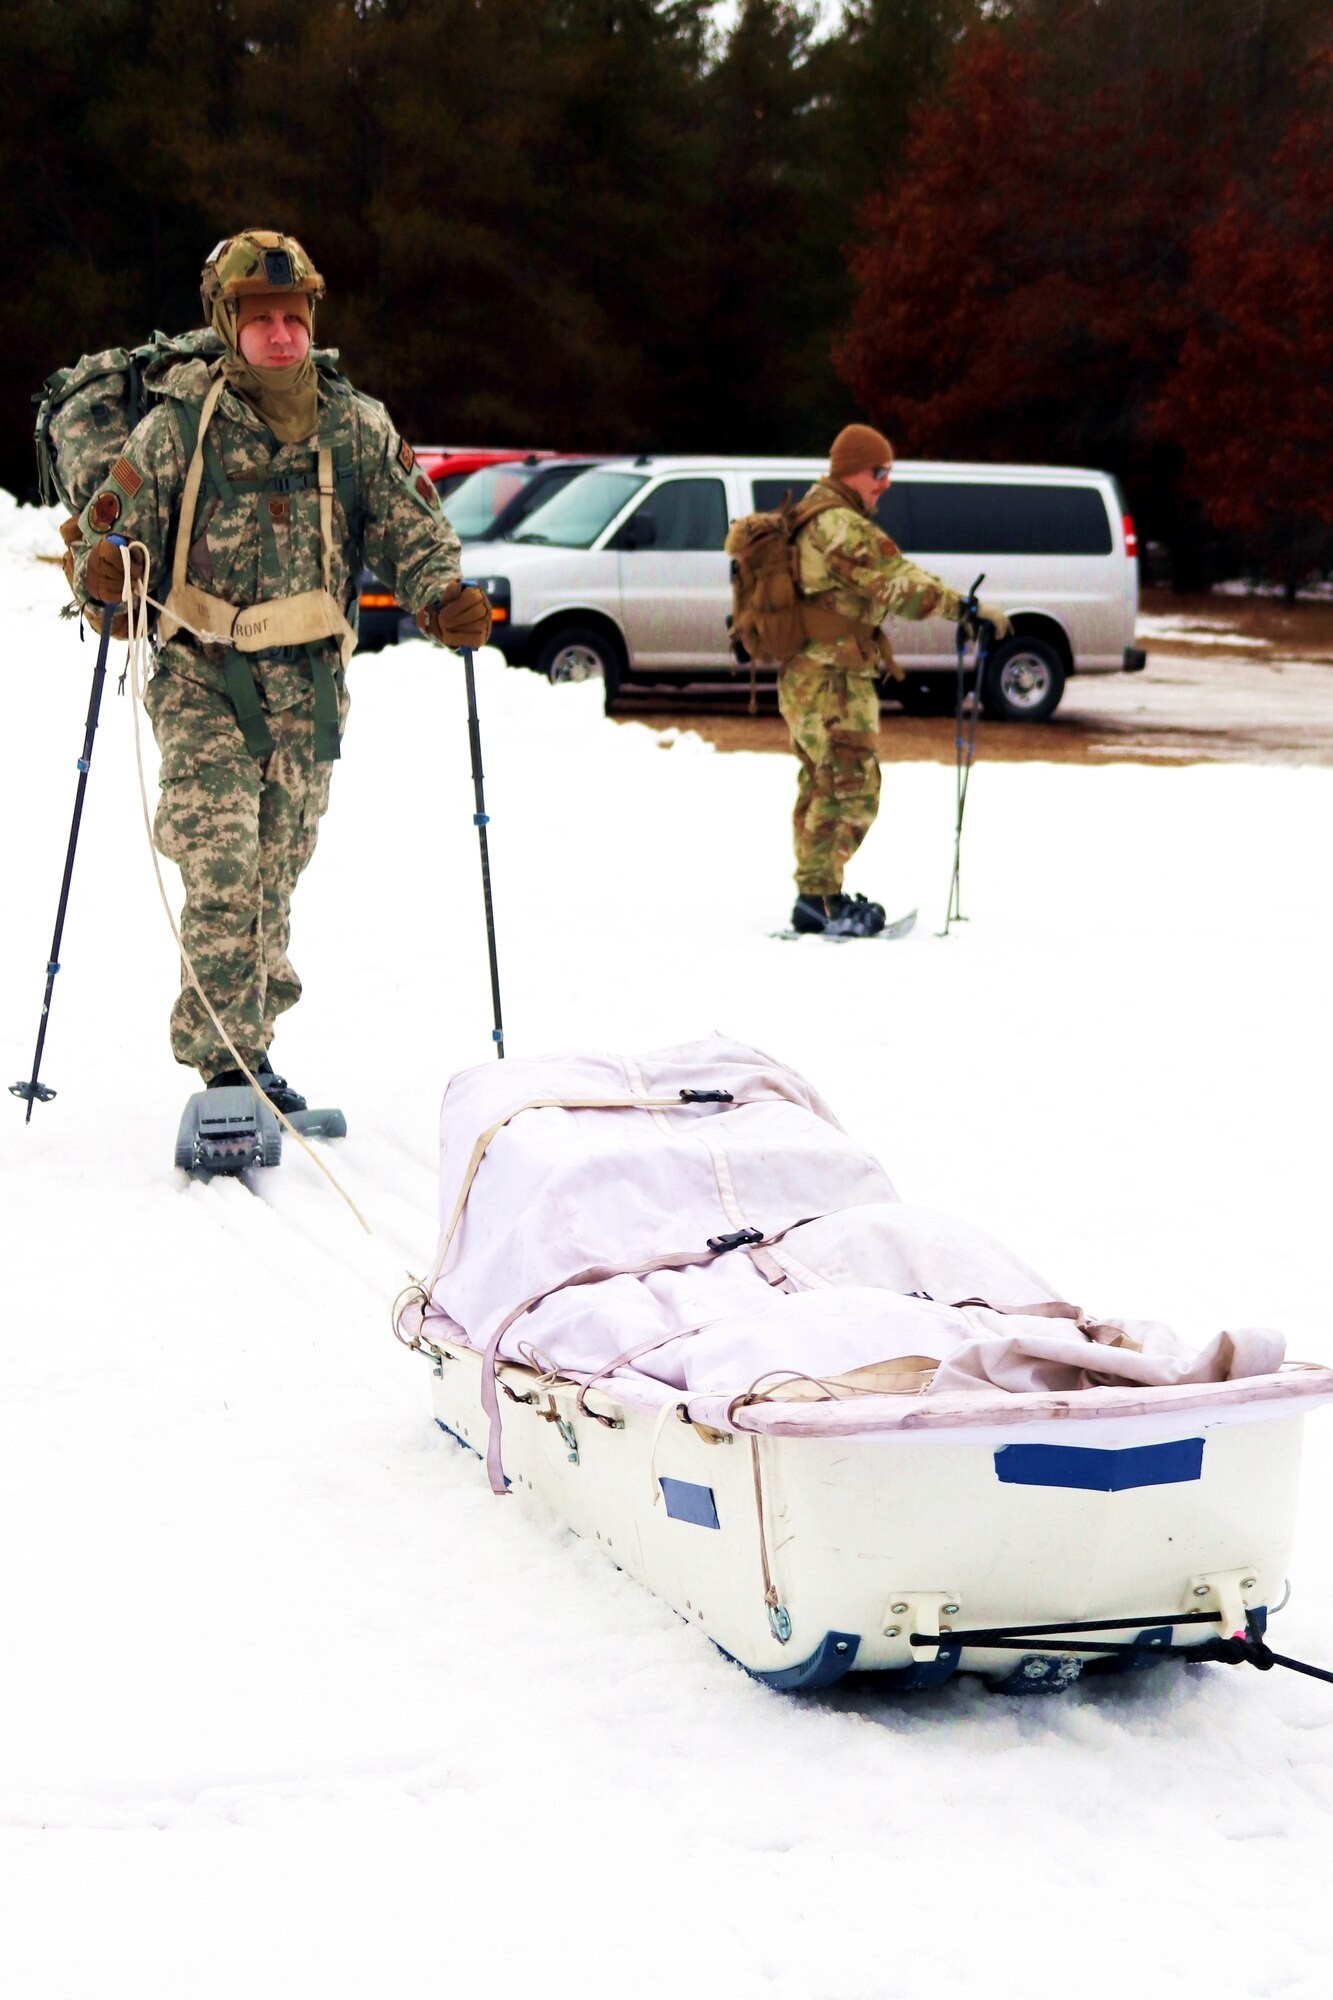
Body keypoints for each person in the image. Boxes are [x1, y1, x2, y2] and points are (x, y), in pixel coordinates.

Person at [73, 229, 490, 1110]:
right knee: (224, 861)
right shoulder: (177, 425)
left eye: (293, 317)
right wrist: (103, 579)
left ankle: (253, 1042)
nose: (281, 335)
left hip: (309, 689)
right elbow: (107, 543)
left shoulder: (355, 423)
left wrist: (442, 597)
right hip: (203, 677)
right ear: (228, 323)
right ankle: (227, 1063)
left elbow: (413, 533)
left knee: (274, 868)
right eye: (260, 318)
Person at [780, 423, 1010, 936]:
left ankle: (819, 893)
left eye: (889, 472)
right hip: (832, 679)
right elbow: (902, 587)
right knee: (849, 786)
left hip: (810, 674)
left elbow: (895, 575)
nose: (885, 483)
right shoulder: (840, 525)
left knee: (822, 783)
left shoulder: (811, 516)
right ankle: (820, 901)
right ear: (849, 471)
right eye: (877, 472)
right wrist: (965, 608)